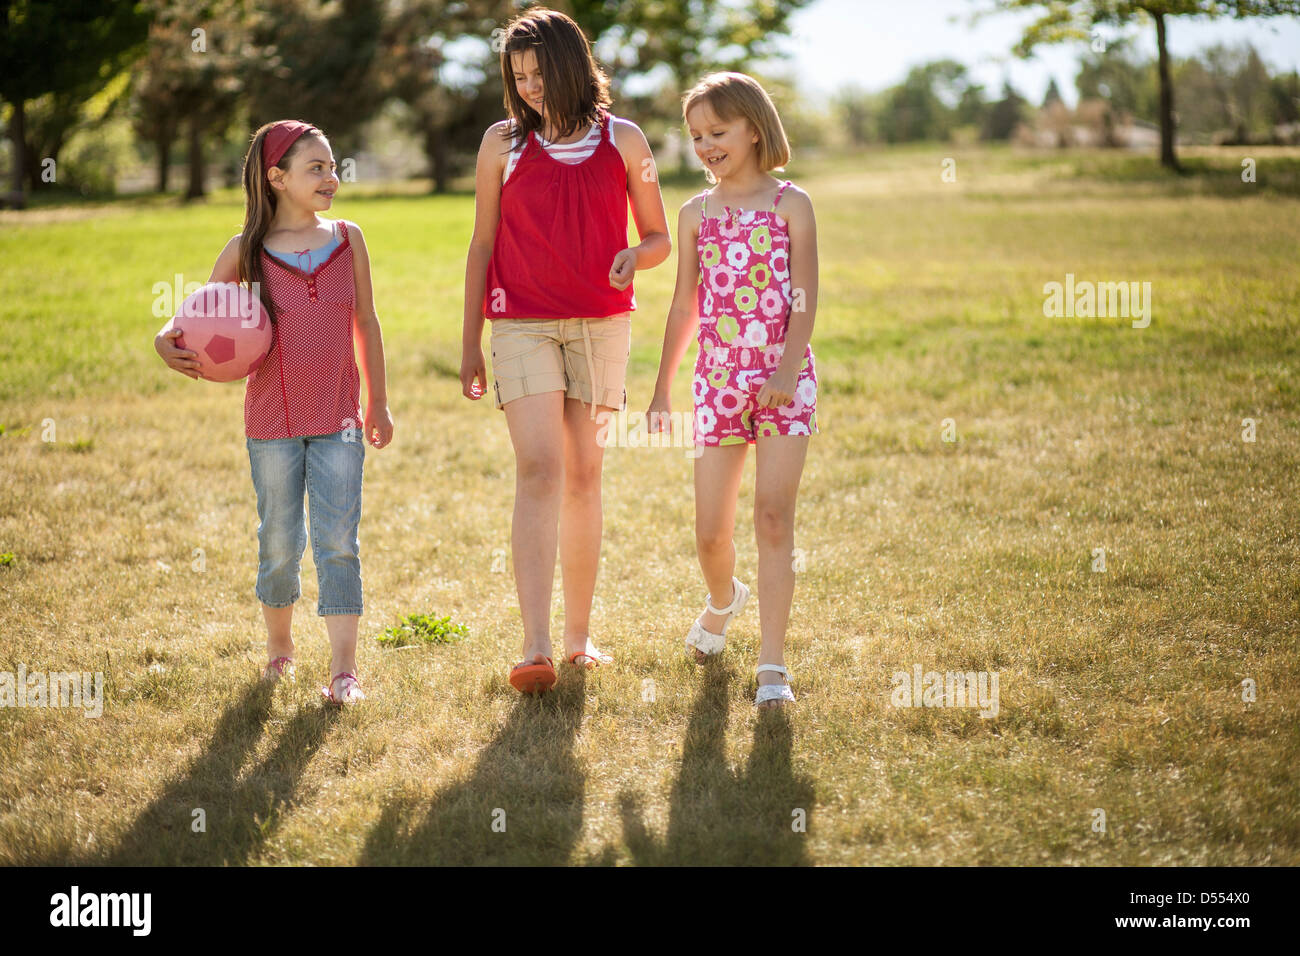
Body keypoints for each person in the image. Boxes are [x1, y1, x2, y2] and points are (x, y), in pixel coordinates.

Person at [460, 7, 670, 694]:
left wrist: (634, 257)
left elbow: (659, 238)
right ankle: (535, 646)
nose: (527, 87)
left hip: (604, 326)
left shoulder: (626, 139)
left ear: (570, 67)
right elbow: (482, 245)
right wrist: (470, 342)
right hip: (520, 325)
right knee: (541, 470)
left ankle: (580, 640)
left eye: (538, 74)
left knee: (585, 475)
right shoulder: (501, 144)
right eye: (516, 76)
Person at [154, 119, 394, 706]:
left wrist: (378, 402)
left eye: (333, 166)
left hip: (339, 418)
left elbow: (365, 321)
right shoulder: (246, 252)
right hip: (273, 426)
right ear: (277, 177)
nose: (331, 178)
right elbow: (195, 316)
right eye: (317, 168)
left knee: (338, 541)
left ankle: (343, 671)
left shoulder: (348, 238)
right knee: (281, 541)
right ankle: (281, 651)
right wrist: (165, 340)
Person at [647, 73, 819, 709]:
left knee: (773, 518)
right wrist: (663, 388)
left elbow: (803, 298)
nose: (707, 145)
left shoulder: (791, 204)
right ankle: (724, 601)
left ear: (753, 127)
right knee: (710, 535)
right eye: (697, 136)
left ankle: (772, 664)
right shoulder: (696, 213)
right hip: (717, 382)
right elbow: (685, 303)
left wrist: (784, 369)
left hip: (784, 379)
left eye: (718, 132)